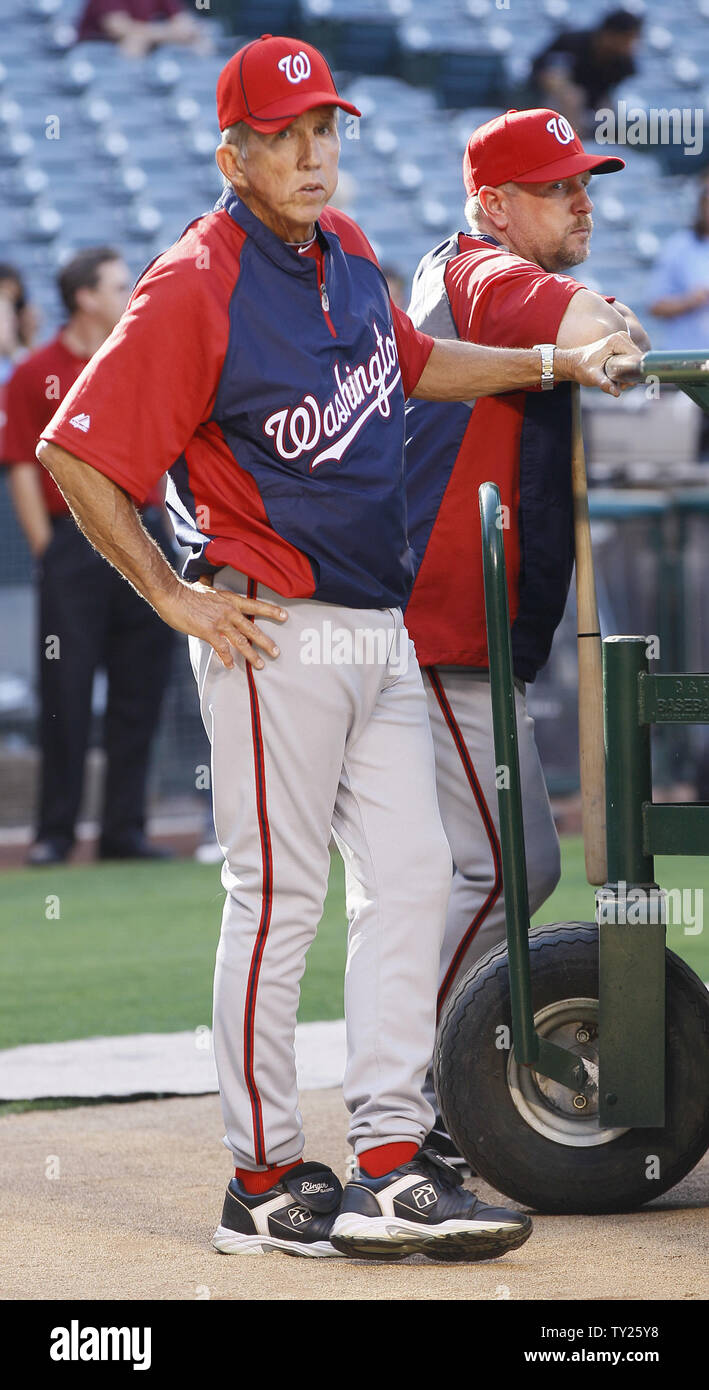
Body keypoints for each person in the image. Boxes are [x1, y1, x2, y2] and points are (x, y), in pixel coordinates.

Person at [36, 36, 639, 1263]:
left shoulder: (351, 253)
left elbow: (415, 368)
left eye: (326, 129)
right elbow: (75, 449)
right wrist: (169, 594)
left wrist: (550, 361)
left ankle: (386, 1160)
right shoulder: (195, 279)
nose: (313, 153)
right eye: (284, 134)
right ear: (234, 152)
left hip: (379, 629)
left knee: (415, 885)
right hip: (274, 629)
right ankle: (261, 1180)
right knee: (276, 905)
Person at [404, 106, 650, 1164]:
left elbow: (574, 320)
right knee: (506, 868)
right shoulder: (480, 272)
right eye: (556, 187)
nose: (582, 199)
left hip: (461, 627)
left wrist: (597, 325)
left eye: (582, 181)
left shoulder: (470, 272)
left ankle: (421, 1080)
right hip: (441, 628)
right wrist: (608, 330)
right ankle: (424, 1086)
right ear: (493, 205)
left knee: (483, 869)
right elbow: (575, 318)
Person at [2, 247, 175, 866]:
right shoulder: (35, 374)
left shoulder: (140, 360)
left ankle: (123, 832)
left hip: (145, 531)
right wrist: (52, 549)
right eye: (118, 285)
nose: (130, 293)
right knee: (65, 694)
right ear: (85, 298)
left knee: (141, 690)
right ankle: (56, 834)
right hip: (73, 544)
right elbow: (22, 464)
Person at [530, 8, 643, 137]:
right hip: (541, 96)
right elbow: (545, 73)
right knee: (572, 97)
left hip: (590, 102)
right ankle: (570, 145)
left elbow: (605, 93)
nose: (630, 44)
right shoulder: (573, 42)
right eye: (627, 38)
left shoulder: (624, 62)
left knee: (610, 110)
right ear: (610, 34)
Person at [76, 0, 209, 57]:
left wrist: (186, 33)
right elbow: (118, 28)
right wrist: (167, 33)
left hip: (144, 46)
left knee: (200, 41)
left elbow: (184, 25)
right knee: (134, 42)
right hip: (97, 55)